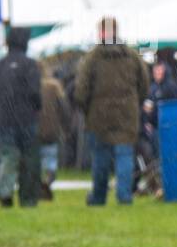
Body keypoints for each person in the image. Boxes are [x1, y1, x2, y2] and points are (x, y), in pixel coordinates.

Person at [74, 17, 150, 206]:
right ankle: (124, 196)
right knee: (124, 155)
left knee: (101, 157)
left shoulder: (92, 57)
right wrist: (133, 102)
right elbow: (144, 84)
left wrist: (87, 108)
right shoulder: (132, 56)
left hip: (99, 115)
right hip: (127, 114)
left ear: (102, 33)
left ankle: (99, 197)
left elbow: (81, 90)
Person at [0, 26, 43, 207]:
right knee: (29, 159)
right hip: (27, 118)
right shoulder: (30, 65)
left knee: (7, 156)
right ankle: (27, 198)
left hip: (5, 118)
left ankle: (5, 191)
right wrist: (37, 108)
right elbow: (35, 93)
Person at [37, 63, 72, 199]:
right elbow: (64, 109)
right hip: (52, 129)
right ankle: (49, 178)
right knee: (51, 158)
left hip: (34, 130)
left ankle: (39, 184)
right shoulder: (54, 87)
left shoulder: (30, 86)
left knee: (37, 159)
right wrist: (66, 126)